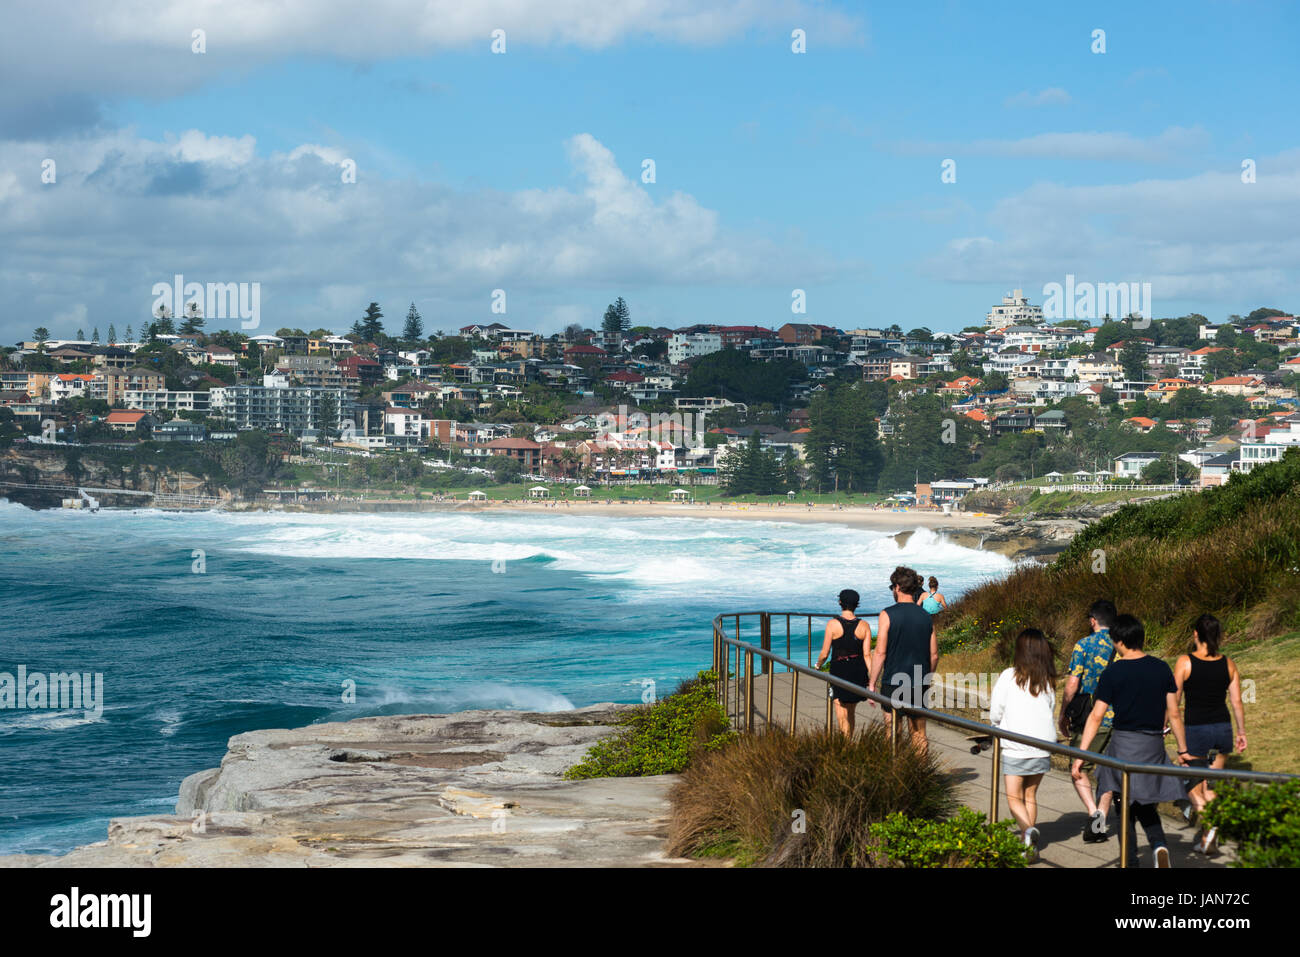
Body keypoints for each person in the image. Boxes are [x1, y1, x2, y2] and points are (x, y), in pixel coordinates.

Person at [1072, 614, 1190, 868]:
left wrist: (1082, 754)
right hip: (1152, 744)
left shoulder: (1113, 671)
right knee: (1146, 804)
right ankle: (1159, 846)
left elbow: (1096, 716)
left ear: (1120, 641)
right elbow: (1174, 713)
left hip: (1123, 744)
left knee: (1123, 807)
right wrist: (1183, 750)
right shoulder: (1161, 668)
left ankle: (1130, 861)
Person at [1174, 613, 1247, 855]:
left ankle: (1211, 823)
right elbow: (1237, 702)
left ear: (1195, 634)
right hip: (1222, 728)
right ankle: (1208, 839)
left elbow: (1173, 701)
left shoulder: (1185, 662)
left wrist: (1164, 726)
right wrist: (1241, 732)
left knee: (1191, 784)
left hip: (1197, 730)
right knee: (1212, 785)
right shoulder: (1228, 663)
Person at [989, 628, 1058, 861]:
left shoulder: (1009, 676)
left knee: (1013, 798)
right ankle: (1028, 846)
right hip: (1043, 744)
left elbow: (995, 712)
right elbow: (1050, 709)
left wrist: (996, 724)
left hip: (1016, 745)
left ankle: (1027, 831)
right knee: (1030, 795)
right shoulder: (1046, 679)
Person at [1058, 599, 1118, 842]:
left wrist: (1063, 713)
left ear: (1093, 620)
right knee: (1110, 770)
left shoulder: (1083, 645)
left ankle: (1094, 813)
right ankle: (1102, 814)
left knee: (1078, 768)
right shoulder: (1122, 645)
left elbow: (1072, 684)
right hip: (1120, 717)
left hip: (1091, 719)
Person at [869, 566, 937, 754]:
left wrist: (871, 683)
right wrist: (926, 678)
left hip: (893, 680)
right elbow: (934, 655)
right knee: (919, 733)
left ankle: (895, 772)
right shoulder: (925, 616)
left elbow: (880, 652)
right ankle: (921, 775)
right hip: (918, 680)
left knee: (892, 731)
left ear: (897, 587)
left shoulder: (887, 614)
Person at [815, 590, 873, 735]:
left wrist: (818, 665)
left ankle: (846, 745)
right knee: (851, 711)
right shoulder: (864, 625)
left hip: (839, 671)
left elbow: (825, 653)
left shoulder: (832, 624)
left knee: (840, 708)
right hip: (858, 671)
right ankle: (849, 740)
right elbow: (867, 654)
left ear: (840, 602)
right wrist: (872, 678)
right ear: (856, 605)